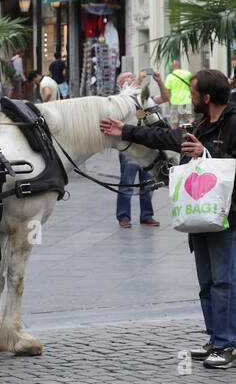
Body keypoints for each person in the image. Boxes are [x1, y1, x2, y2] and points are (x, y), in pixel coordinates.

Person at [101, 68, 236, 368]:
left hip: (227, 217)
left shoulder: (233, 123)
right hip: (200, 213)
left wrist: (209, 151)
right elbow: (163, 135)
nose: (189, 97)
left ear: (207, 97)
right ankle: (215, 338)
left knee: (225, 282)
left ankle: (228, 345)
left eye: (193, 93)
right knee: (207, 282)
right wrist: (123, 131)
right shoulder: (200, 123)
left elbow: (229, 163)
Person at [112, 71, 159, 229]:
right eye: (127, 77)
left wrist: (158, 82)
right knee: (127, 182)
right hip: (129, 148)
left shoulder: (143, 99)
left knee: (147, 182)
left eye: (133, 76)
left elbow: (164, 98)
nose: (131, 77)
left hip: (146, 146)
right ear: (120, 84)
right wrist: (138, 81)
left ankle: (147, 215)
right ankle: (123, 216)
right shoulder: (117, 100)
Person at [164, 59, 193, 128]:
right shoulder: (188, 74)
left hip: (175, 101)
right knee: (190, 120)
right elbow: (193, 86)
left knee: (175, 121)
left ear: (173, 67)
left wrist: (169, 101)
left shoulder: (170, 77)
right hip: (187, 100)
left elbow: (167, 91)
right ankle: (193, 134)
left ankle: (176, 136)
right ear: (180, 66)